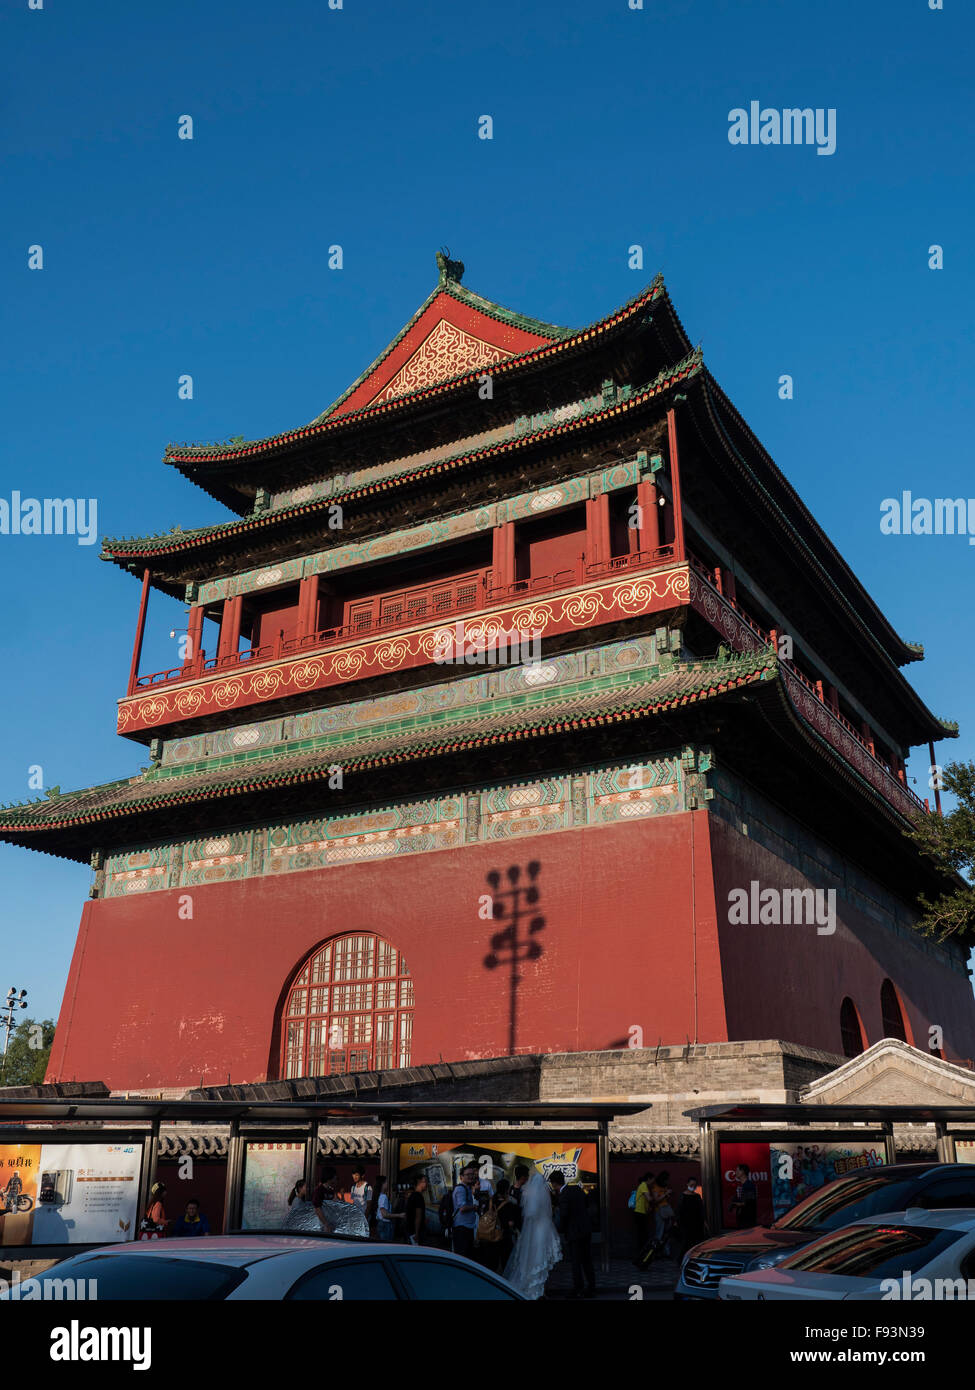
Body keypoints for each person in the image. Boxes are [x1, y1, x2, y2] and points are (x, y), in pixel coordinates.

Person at [502, 1164, 561, 1300]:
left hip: (532, 1229)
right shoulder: (545, 1192)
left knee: (530, 1258)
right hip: (544, 1227)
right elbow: (548, 1210)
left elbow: (528, 1212)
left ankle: (534, 1288)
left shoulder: (526, 1192)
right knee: (541, 1257)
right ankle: (542, 1289)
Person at [550, 1170, 595, 1299]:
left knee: (575, 1262)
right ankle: (591, 1287)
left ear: (554, 1183)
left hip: (574, 1232)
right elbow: (586, 1204)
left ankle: (578, 1288)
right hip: (586, 1229)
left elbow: (564, 1215)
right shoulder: (576, 1189)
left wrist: (559, 1229)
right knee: (587, 1260)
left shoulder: (563, 1195)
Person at [451, 1163, 480, 1260]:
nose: (471, 1176)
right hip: (461, 1228)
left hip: (466, 1227)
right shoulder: (461, 1189)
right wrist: (474, 1207)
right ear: (461, 1177)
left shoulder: (467, 1188)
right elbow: (462, 1208)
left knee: (467, 1256)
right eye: (468, 1175)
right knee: (463, 1257)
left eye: (472, 1174)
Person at [494, 1178, 520, 1272]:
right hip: (504, 1235)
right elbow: (511, 1222)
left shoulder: (491, 1201)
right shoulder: (510, 1204)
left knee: (494, 1262)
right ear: (507, 1190)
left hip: (492, 1235)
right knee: (506, 1261)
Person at [677, 1178, 706, 1252]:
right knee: (686, 1243)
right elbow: (679, 1210)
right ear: (687, 1184)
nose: (693, 1186)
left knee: (696, 1243)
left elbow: (701, 1210)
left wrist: (703, 1221)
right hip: (685, 1224)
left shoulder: (697, 1196)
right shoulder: (682, 1196)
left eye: (695, 1185)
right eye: (691, 1185)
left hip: (697, 1224)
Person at [632, 1171, 653, 1259]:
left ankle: (641, 1253)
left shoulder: (643, 1185)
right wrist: (655, 1198)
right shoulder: (644, 1185)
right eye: (652, 1180)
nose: (653, 1182)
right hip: (639, 1213)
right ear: (648, 1179)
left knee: (642, 1234)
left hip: (641, 1212)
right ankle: (641, 1254)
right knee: (642, 1234)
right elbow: (649, 1198)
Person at [730, 1163, 757, 1229]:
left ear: (742, 1172)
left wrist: (734, 1203)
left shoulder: (749, 1185)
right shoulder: (742, 1186)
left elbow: (746, 1203)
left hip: (747, 1220)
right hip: (743, 1219)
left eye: (737, 1170)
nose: (735, 1173)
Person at [652, 1170, 675, 1246]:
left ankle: (666, 1251)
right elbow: (656, 1200)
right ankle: (656, 1250)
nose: (667, 1182)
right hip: (659, 1211)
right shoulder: (655, 1187)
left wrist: (668, 1194)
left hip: (666, 1210)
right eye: (666, 1180)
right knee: (660, 1231)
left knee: (667, 1231)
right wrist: (665, 1194)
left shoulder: (664, 1186)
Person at [404, 1174, 428, 1246]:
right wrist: (416, 1233)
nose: (427, 1184)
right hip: (415, 1234)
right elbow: (418, 1216)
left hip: (411, 1231)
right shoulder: (418, 1197)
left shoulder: (413, 1196)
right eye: (425, 1181)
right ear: (419, 1182)